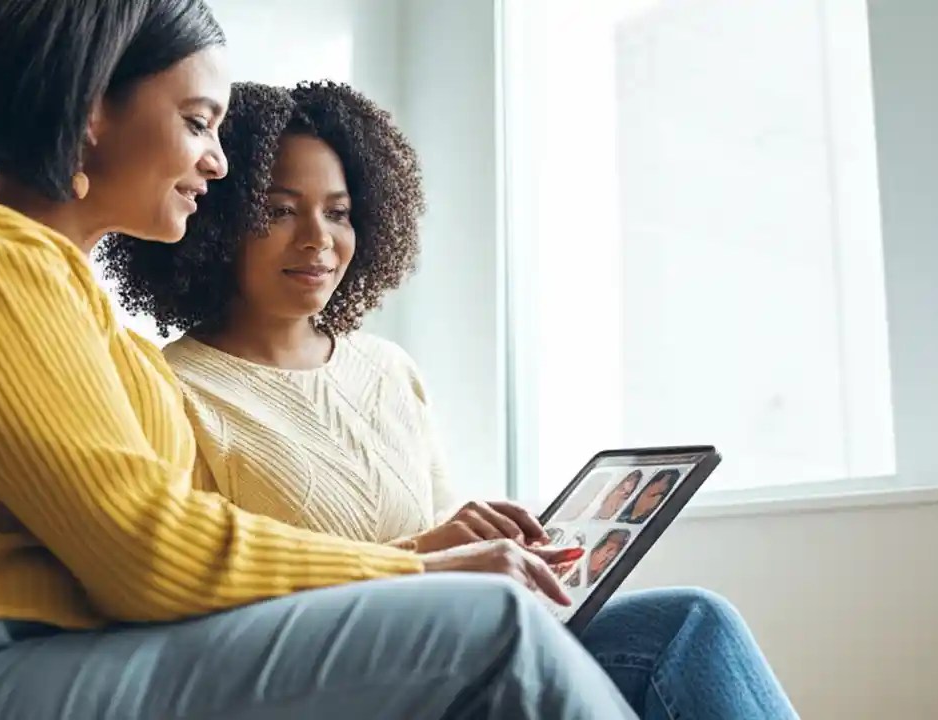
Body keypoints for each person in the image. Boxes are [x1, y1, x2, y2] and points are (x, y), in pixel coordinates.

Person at [0, 4, 638, 719]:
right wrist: (422, 572)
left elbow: (170, 558)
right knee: (490, 630)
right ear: (93, 109)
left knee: (638, 627)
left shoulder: (107, 342)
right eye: (196, 122)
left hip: (53, 655)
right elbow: (149, 553)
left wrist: (418, 554)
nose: (218, 163)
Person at [103, 81, 800, 718]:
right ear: (220, 224)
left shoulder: (388, 370)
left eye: (340, 213)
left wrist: (492, 545)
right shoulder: (175, 390)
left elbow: (443, 551)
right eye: (280, 212)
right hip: (336, 684)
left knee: (689, 622)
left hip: (457, 649)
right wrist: (424, 555)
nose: (318, 240)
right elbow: (204, 608)